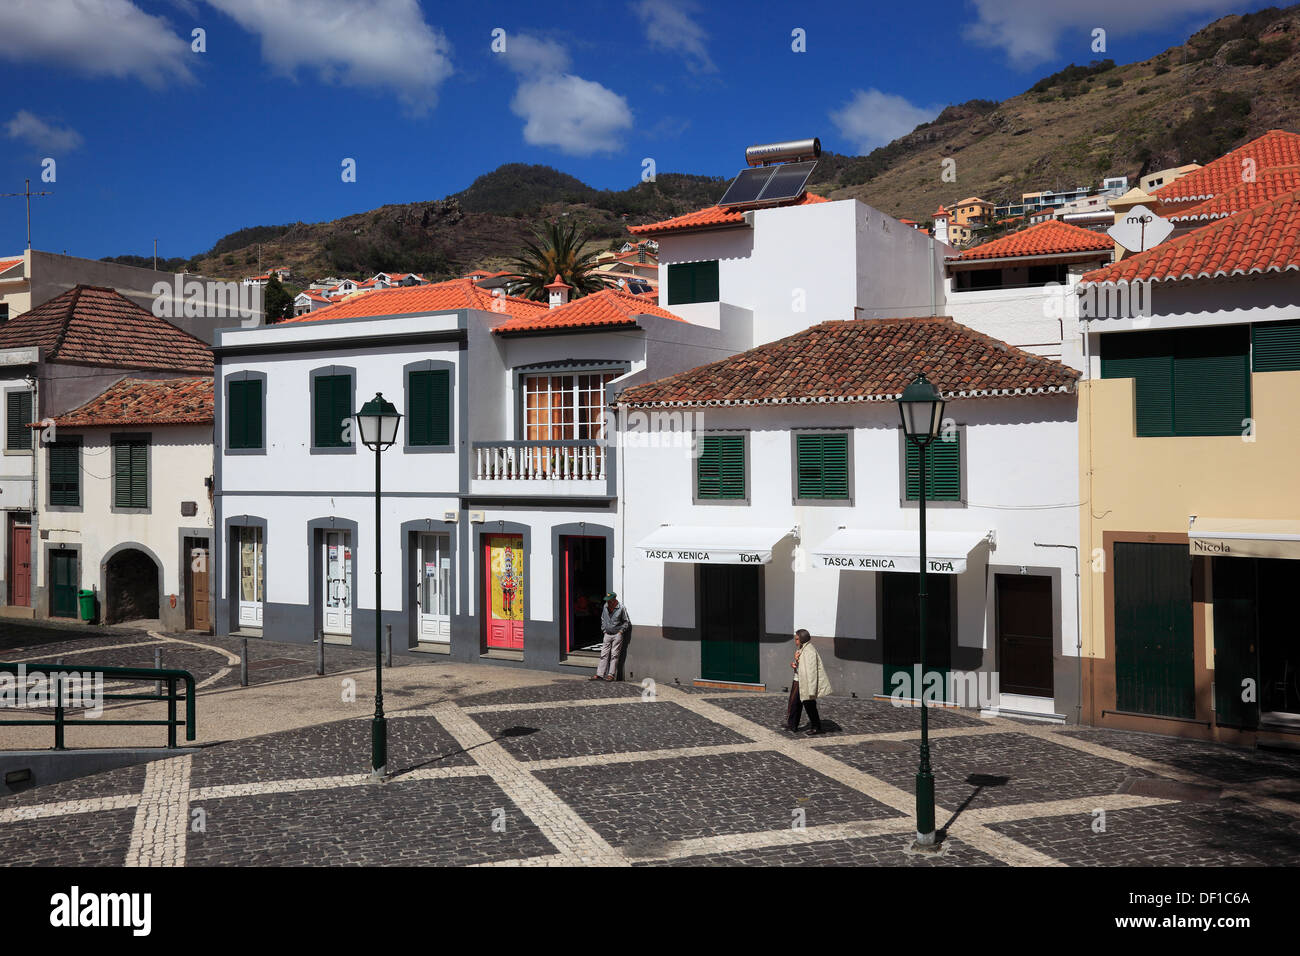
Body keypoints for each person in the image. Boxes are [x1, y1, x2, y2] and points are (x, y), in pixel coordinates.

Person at [787, 629, 832, 734]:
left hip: (805, 682)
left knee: (808, 705)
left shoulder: (809, 651)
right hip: (799, 680)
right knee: (796, 703)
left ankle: (816, 727)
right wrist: (795, 662)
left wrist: (811, 689)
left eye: (797, 639)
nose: (795, 641)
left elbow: (811, 671)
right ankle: (793, 725)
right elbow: (801, 665)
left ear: (802, 639)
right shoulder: (803, 648)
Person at [591, 591, 630, 682]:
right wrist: (604, 630)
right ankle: (600, 674)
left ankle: (611, 675)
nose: (608, 602)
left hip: (617, 634)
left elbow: (626, 621)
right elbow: (603, 619)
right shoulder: (605, 606)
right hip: (607, 634)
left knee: (614, 655)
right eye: (607, 601)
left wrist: (621, 631)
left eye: (609, 601)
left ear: (614, 599)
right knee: (603, 654)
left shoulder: (621, 608)